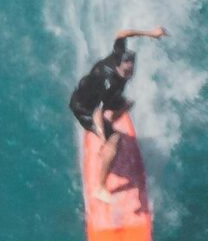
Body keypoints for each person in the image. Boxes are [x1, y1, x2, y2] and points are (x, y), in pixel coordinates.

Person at [69, 27, 165, 192]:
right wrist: (103, 137)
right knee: (115, 140)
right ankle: (100, 188)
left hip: (96, 96)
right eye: (127, 71)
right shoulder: (109, 83)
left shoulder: (118, 53)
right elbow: (97, 112)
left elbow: (122, 33)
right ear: (118, 66)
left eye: (132, 69)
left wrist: (152, 34)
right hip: (84, 107)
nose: (130, 73)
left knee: (127, 104)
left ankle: (109, 125)